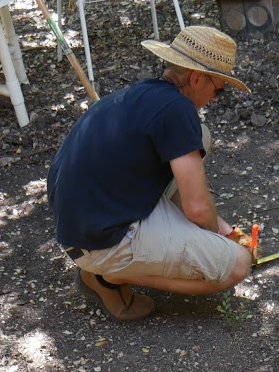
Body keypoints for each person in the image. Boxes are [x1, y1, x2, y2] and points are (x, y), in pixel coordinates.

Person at [48, 25, 253, 321]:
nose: (214, 97)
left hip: (80, 224)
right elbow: (197, 207)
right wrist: (220, 241)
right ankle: (108, 278)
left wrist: (225, 230)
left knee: (201, 136)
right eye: (218, 89)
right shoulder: (177, 109)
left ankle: (113, 263)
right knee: (237, 265)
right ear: (197, 78)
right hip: (100, 241)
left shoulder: (142, 93)